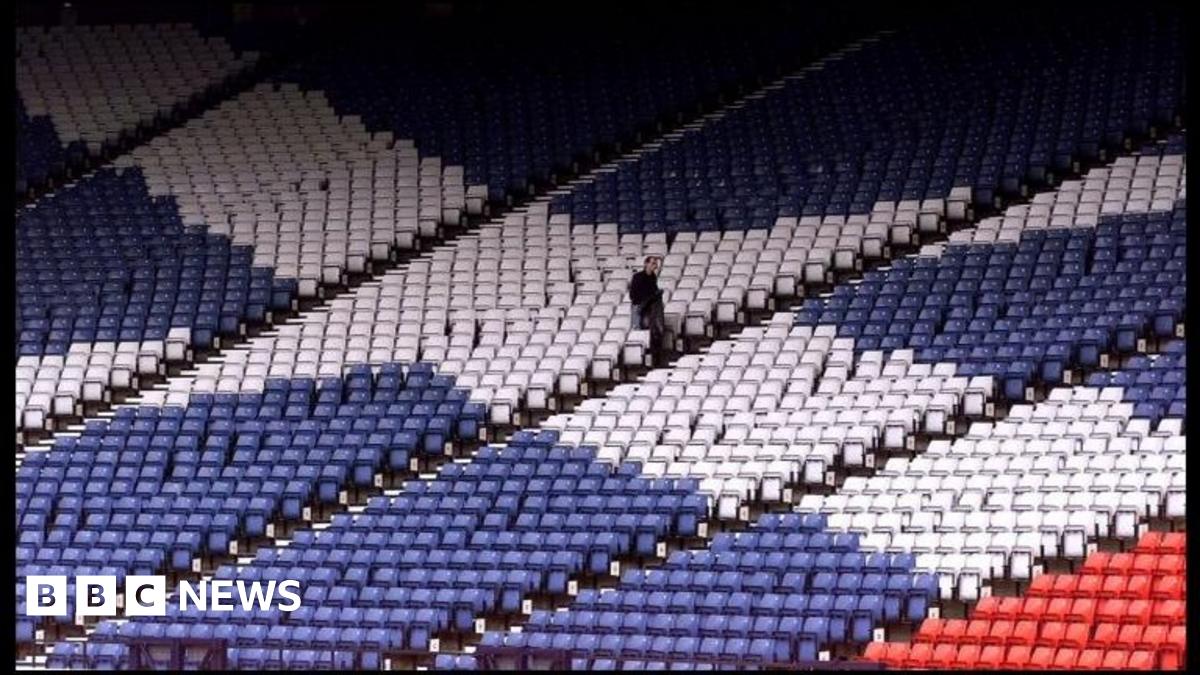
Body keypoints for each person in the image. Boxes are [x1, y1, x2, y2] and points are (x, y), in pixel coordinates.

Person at [629, 255, 667, 365]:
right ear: (646, 264)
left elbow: (653, 291)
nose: (654, 265)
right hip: (639, 305)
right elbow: (633, 295)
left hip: (649, 305)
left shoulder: (653, 277)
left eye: (655, 264)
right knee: (638, 329)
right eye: (652, 263)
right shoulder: (638, 276)